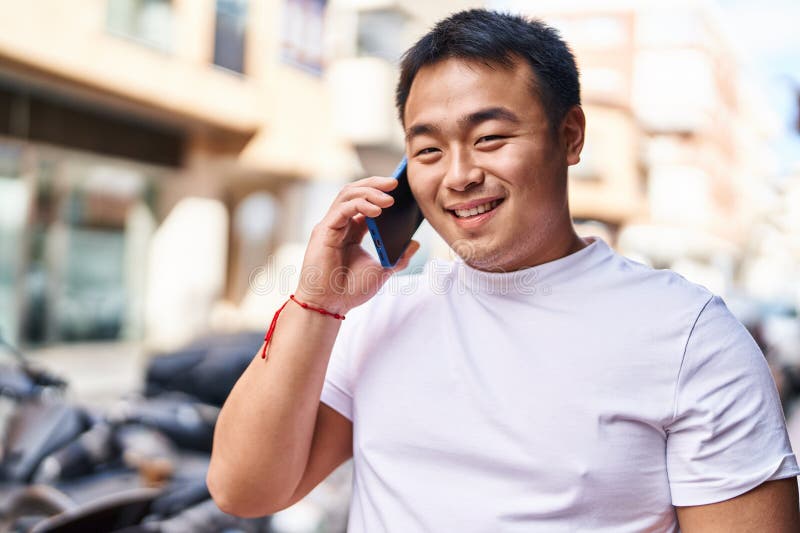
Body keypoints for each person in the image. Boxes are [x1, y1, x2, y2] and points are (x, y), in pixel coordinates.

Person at [207, 9, 800, 532]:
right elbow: (244, 490)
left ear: (570, 136)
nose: (458, 175)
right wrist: (319, 300)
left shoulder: (691, 336)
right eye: (428, 150)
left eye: (489, 137)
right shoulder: (380, 316)